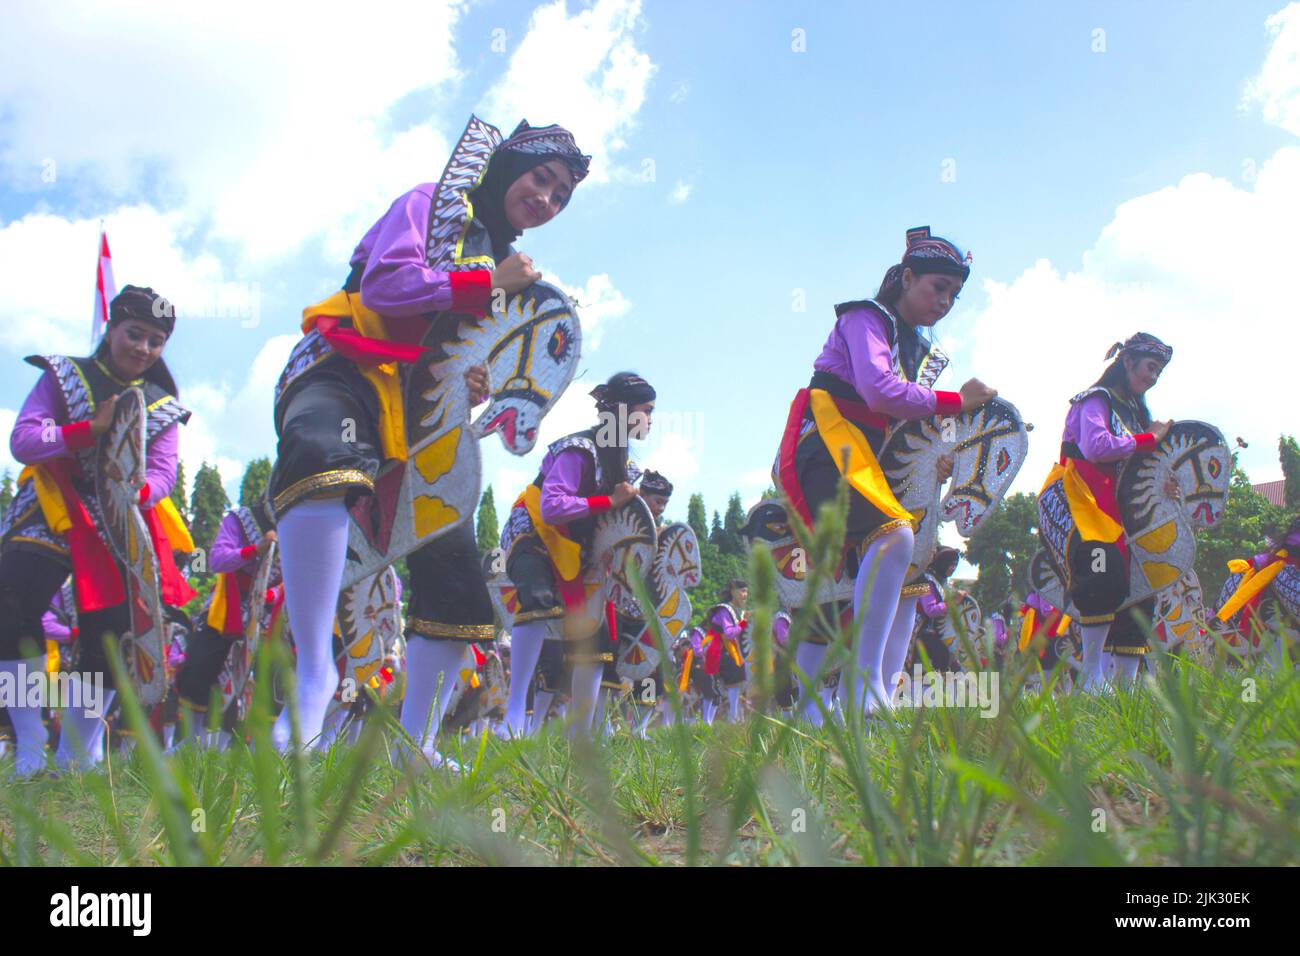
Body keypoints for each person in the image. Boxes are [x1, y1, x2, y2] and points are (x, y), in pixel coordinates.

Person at [263, 118, 591, 757]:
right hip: (348, 368)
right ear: (506, 166)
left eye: (560, 196)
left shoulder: (502, 256)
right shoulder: (431, 203)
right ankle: (312, 680)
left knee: (455, 572)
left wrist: (470, 382)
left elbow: (453, 346)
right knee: (322, 454)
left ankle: (416, 742)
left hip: (419, 416)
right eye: (541, 179)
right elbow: (388, 286)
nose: (546, 199)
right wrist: (488, 283)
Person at [773, 227, 996, 721]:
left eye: (955, 295)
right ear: (907, 277)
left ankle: (815, 713)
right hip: (829, 440)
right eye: (938, 288)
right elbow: (879, 392)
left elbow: (904, 424)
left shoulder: (914, 346)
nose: (946, 302)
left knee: (869, 571)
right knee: (894, 536)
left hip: (868, 456)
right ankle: (864, 689)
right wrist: (958, 401)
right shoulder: (865, 317)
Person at [0, 285, 195, 774]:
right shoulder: (65, 375)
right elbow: (25, 437)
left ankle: (74, 757)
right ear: (111, 330)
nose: (143, 349)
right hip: (53, 501)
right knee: (9, 600)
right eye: (134, 334)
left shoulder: (162, 404)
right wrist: (86, 431)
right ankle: (27, 743)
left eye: (155, 341)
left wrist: (133, 493)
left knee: (113, 633)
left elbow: (163, 473)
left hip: (119, 514)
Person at [498, 371, 654, 738]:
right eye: (647, 410)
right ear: (628, 412)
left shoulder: (628, 466)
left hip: (581, 548)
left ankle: (582, 730)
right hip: (535, 531)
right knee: (536, 596)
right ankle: (514, 712)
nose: (651, 418)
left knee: (599, 633)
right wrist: (608, 500)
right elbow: (553, 507)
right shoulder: (576, 449)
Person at [1037, 333, 1174, 692]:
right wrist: (1149, 440)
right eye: (1150, 367)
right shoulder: (1095, 400)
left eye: (1159, 372)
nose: (1154, 378)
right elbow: (1097, 447)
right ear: (1127, 362)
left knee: (1144, 587)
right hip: (1082, 499)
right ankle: (1091, 675)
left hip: (1121, 509)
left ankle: (1127, 688)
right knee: (1103, 569)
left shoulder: (1136, 412)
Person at [173, 500, 278, 742]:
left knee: (269, 685)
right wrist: (254, 550)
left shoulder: (301, 528)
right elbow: (217, 560)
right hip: (224, 610)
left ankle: (239, 753)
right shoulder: (243, 518)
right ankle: (187, 746)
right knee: (197, 673)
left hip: (267, 618)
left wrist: (271, 595)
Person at [704, 579, 749, 722]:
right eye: (742, 591)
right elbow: (729, 633)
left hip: (726, 651)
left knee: (735, 683)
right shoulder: (725, 610)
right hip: (721, 652)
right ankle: (732, 717)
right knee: (733, 683)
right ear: (733, 592)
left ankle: (732, 716)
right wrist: (743, 622)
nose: (745, 595)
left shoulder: (733, 610)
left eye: (746, 591)